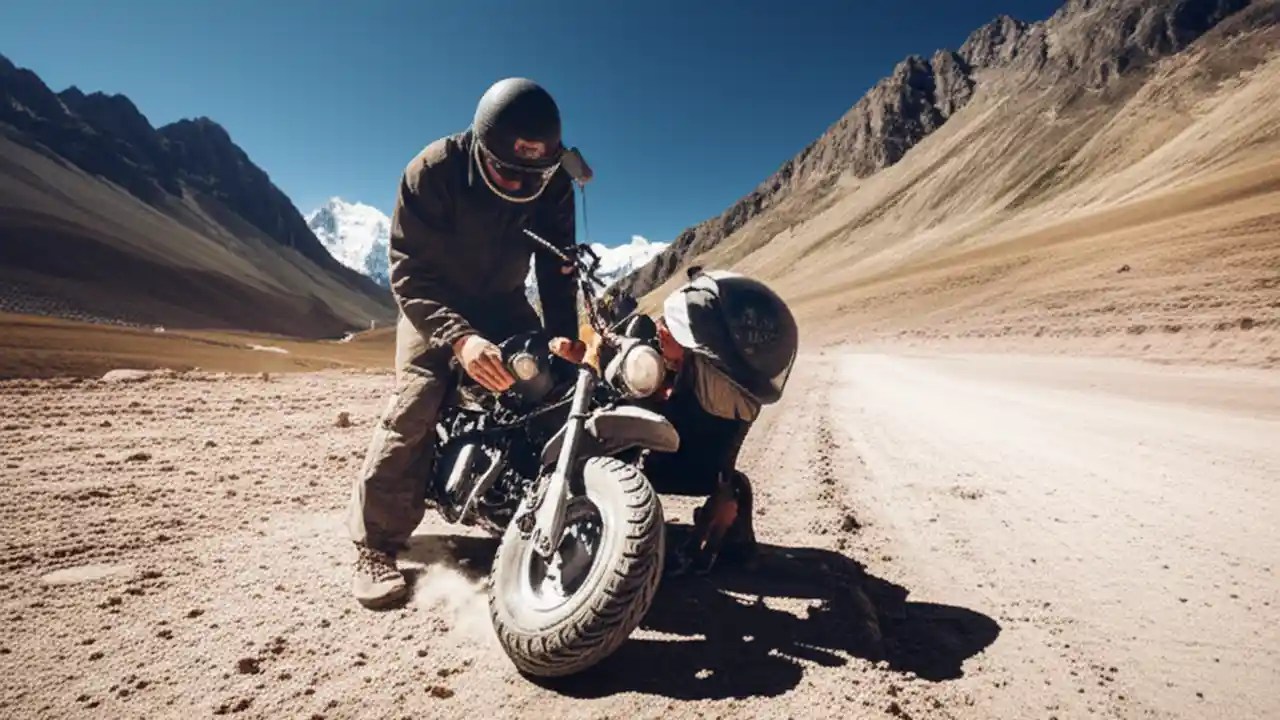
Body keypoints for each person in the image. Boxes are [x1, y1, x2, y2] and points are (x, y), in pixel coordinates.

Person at [346, 77, 586, 609]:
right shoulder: (433, 171)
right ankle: (376, 546)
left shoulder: (554, 184)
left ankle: (535, 512)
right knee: (418, 399)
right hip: (436, 302)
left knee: (553, 391)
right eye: (509, 170)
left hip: (503, 300)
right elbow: (409, 273)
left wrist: (562, 335)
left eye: (536, 174)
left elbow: (556, 264)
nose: (524, 184)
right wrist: (458, 340)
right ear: (483, 147)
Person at [618, 267, 798, 575]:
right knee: (735, 483)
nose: (662, 331)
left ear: (696, 346)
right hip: (710, 476)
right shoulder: (737, 389)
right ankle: (733, 546)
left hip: (650, 469)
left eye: (669, 327)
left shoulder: (694, 381)